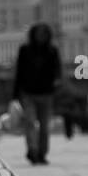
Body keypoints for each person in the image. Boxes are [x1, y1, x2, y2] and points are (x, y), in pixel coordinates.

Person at [13, 22, 61, 164]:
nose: (41, 37)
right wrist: (15, 94)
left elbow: (57, 70)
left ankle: (42, 153)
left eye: (44, 34)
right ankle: (32, 151)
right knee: (30, 123)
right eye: (39, 34)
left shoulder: (52, 51)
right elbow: (19, 72)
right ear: (33, 35)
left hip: (46, 94)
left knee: (44, 126)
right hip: (28, 93)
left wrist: (57, 83)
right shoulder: (25, 50)